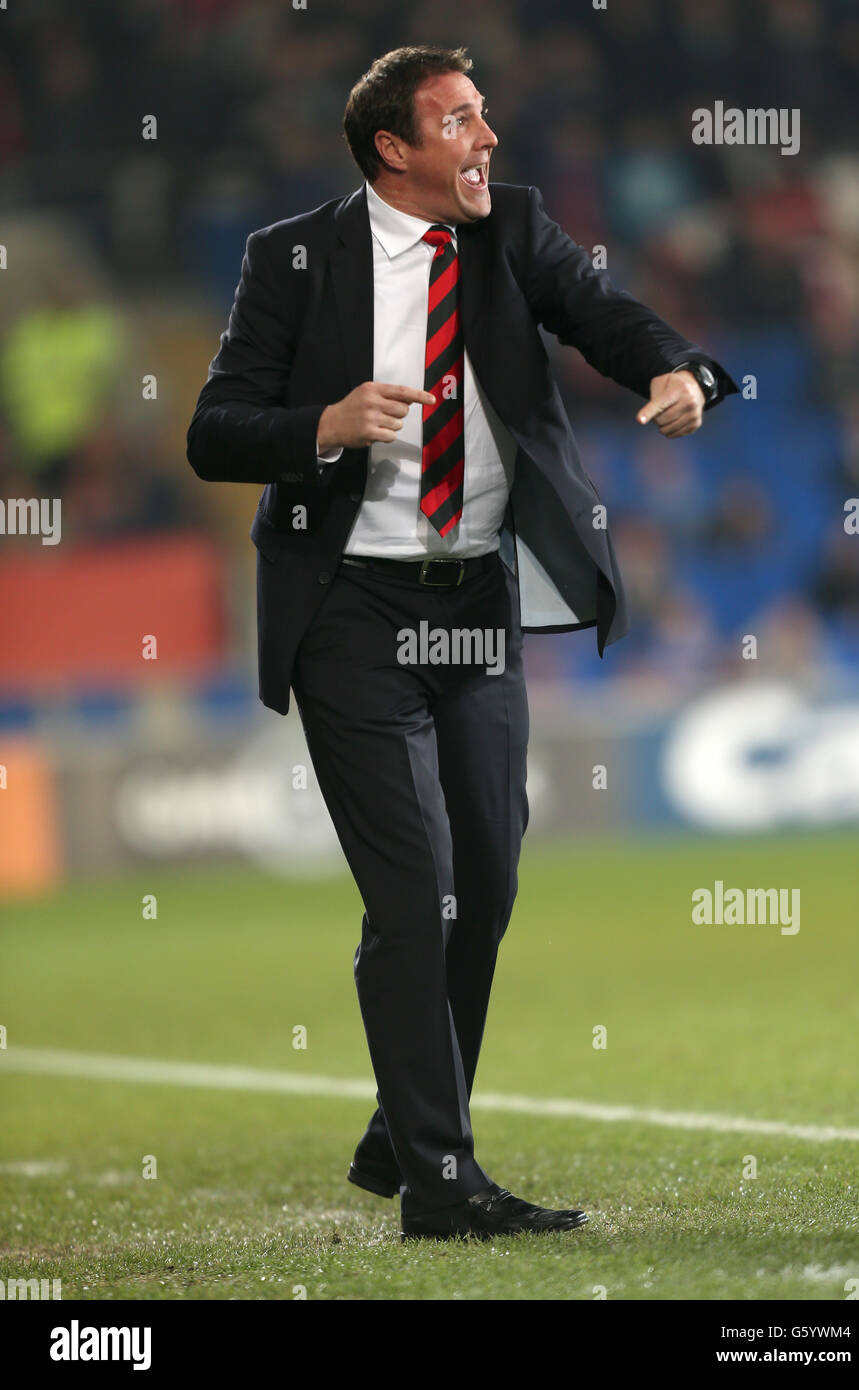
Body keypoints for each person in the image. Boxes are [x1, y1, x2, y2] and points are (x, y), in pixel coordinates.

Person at [187, 45, 737, 1241]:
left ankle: (404, 1116)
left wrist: (676, 367)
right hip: (349, 611)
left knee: (484, 879)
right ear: (395, 149)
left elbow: (602, 316)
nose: (488, 140)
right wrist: (319, 427)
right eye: (461, 122)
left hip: (473, 602)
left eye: (484, 118)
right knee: (417, 890)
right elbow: (215, 430)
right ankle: (440, 1181)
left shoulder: (513, 228)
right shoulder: (290, 255)